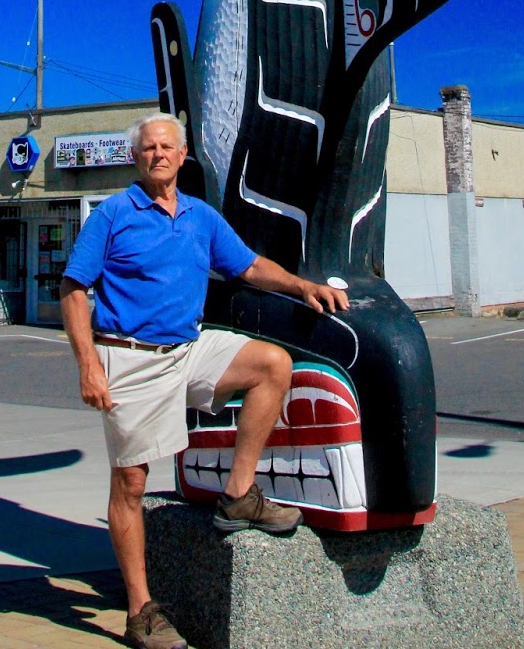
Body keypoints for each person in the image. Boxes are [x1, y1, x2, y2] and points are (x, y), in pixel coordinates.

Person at [60, 116, 348, 649]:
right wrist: (87, 364)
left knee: (272, 365)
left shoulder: (200, 216)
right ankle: (141, 610)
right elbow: (74, 289)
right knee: (131, 484)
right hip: (131, 360)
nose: (157, 154)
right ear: (136, 157)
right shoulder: (113, 214)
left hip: (187, 350)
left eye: (166, 146)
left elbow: (249, 267)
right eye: (148, 148)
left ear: (182, 152)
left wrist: (301, 285)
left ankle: (238, 495)